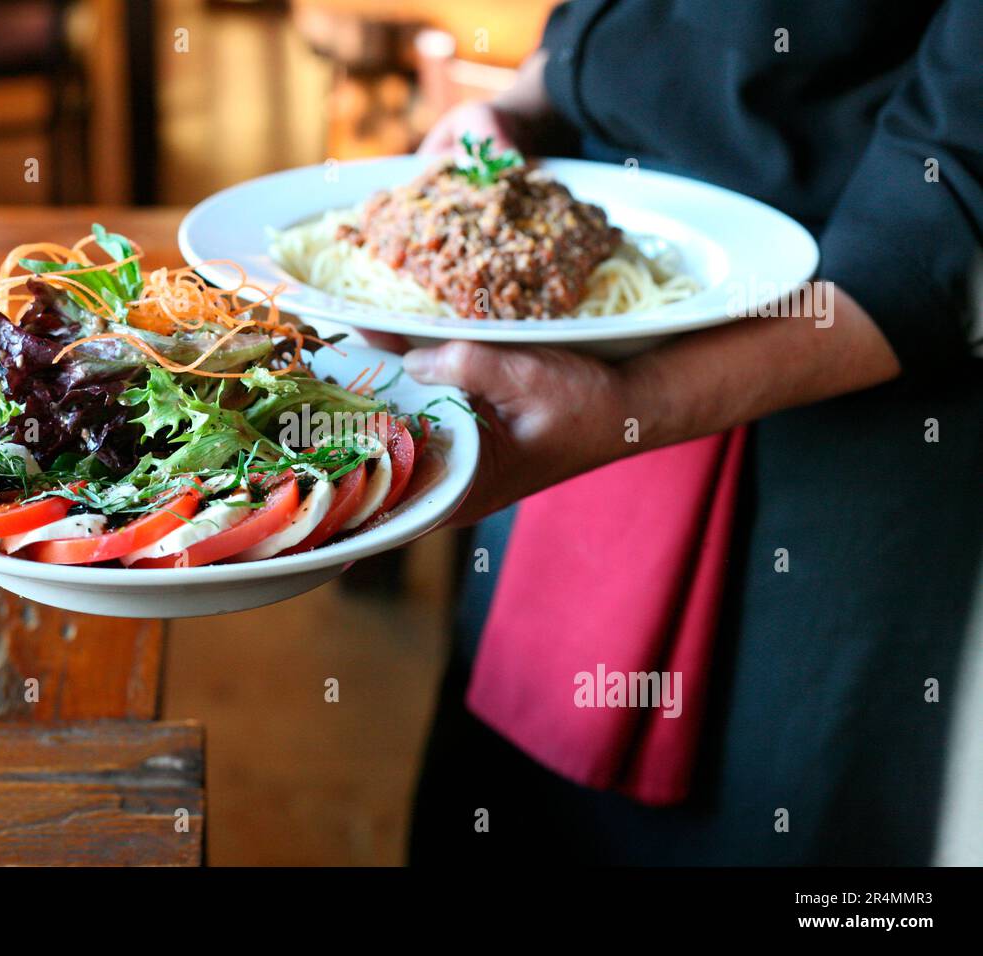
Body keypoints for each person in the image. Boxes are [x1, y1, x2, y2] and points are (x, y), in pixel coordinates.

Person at [396, 0, 983, 865]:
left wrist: (635, 404)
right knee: (507, 812)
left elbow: (945, 209)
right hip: (581, 322)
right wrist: (520, 105)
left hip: (840, 409)